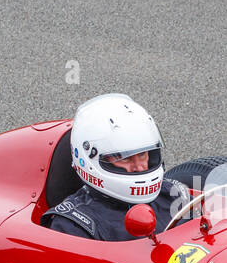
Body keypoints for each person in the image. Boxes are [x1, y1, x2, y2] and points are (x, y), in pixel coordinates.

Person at [44, 93, 187, 240]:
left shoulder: (174, 195)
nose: (139, 167)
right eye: (124, 158)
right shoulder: (73, 227)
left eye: (143, 154)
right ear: (89, 159)